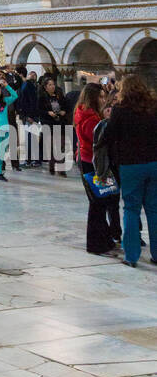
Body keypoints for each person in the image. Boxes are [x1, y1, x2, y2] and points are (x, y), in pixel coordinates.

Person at [98, 74, 157, 268]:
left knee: (131, 209)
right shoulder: (153, 107)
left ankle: (131, 256)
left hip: (130, 165)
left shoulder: (120, 110)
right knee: (153, 210)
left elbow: (109, 135)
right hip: (153, 163)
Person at [74, 82, 121, 256]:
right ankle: (96, 244)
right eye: (101, 97)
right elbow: (99, 140)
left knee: (100, 202)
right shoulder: (90, 118)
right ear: (93, 98)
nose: (104, 100)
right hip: (93, 164)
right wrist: (107, 122)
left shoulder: (83, 112)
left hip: (89, 161)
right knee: (98, 204)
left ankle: (105, 240)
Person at [37, 74, 68, 175]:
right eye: (50, 85)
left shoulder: (59, 96)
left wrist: (63, 111)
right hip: (48, 124)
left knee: (61, 146)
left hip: (60, 124)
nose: (52, 86)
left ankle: (61, 169)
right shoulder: (42, 98)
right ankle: (52, 165)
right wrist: (48, 113)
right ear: (45, 87)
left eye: (53, 84)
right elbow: (39, 110)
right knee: (51, 147)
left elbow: (65, 106)